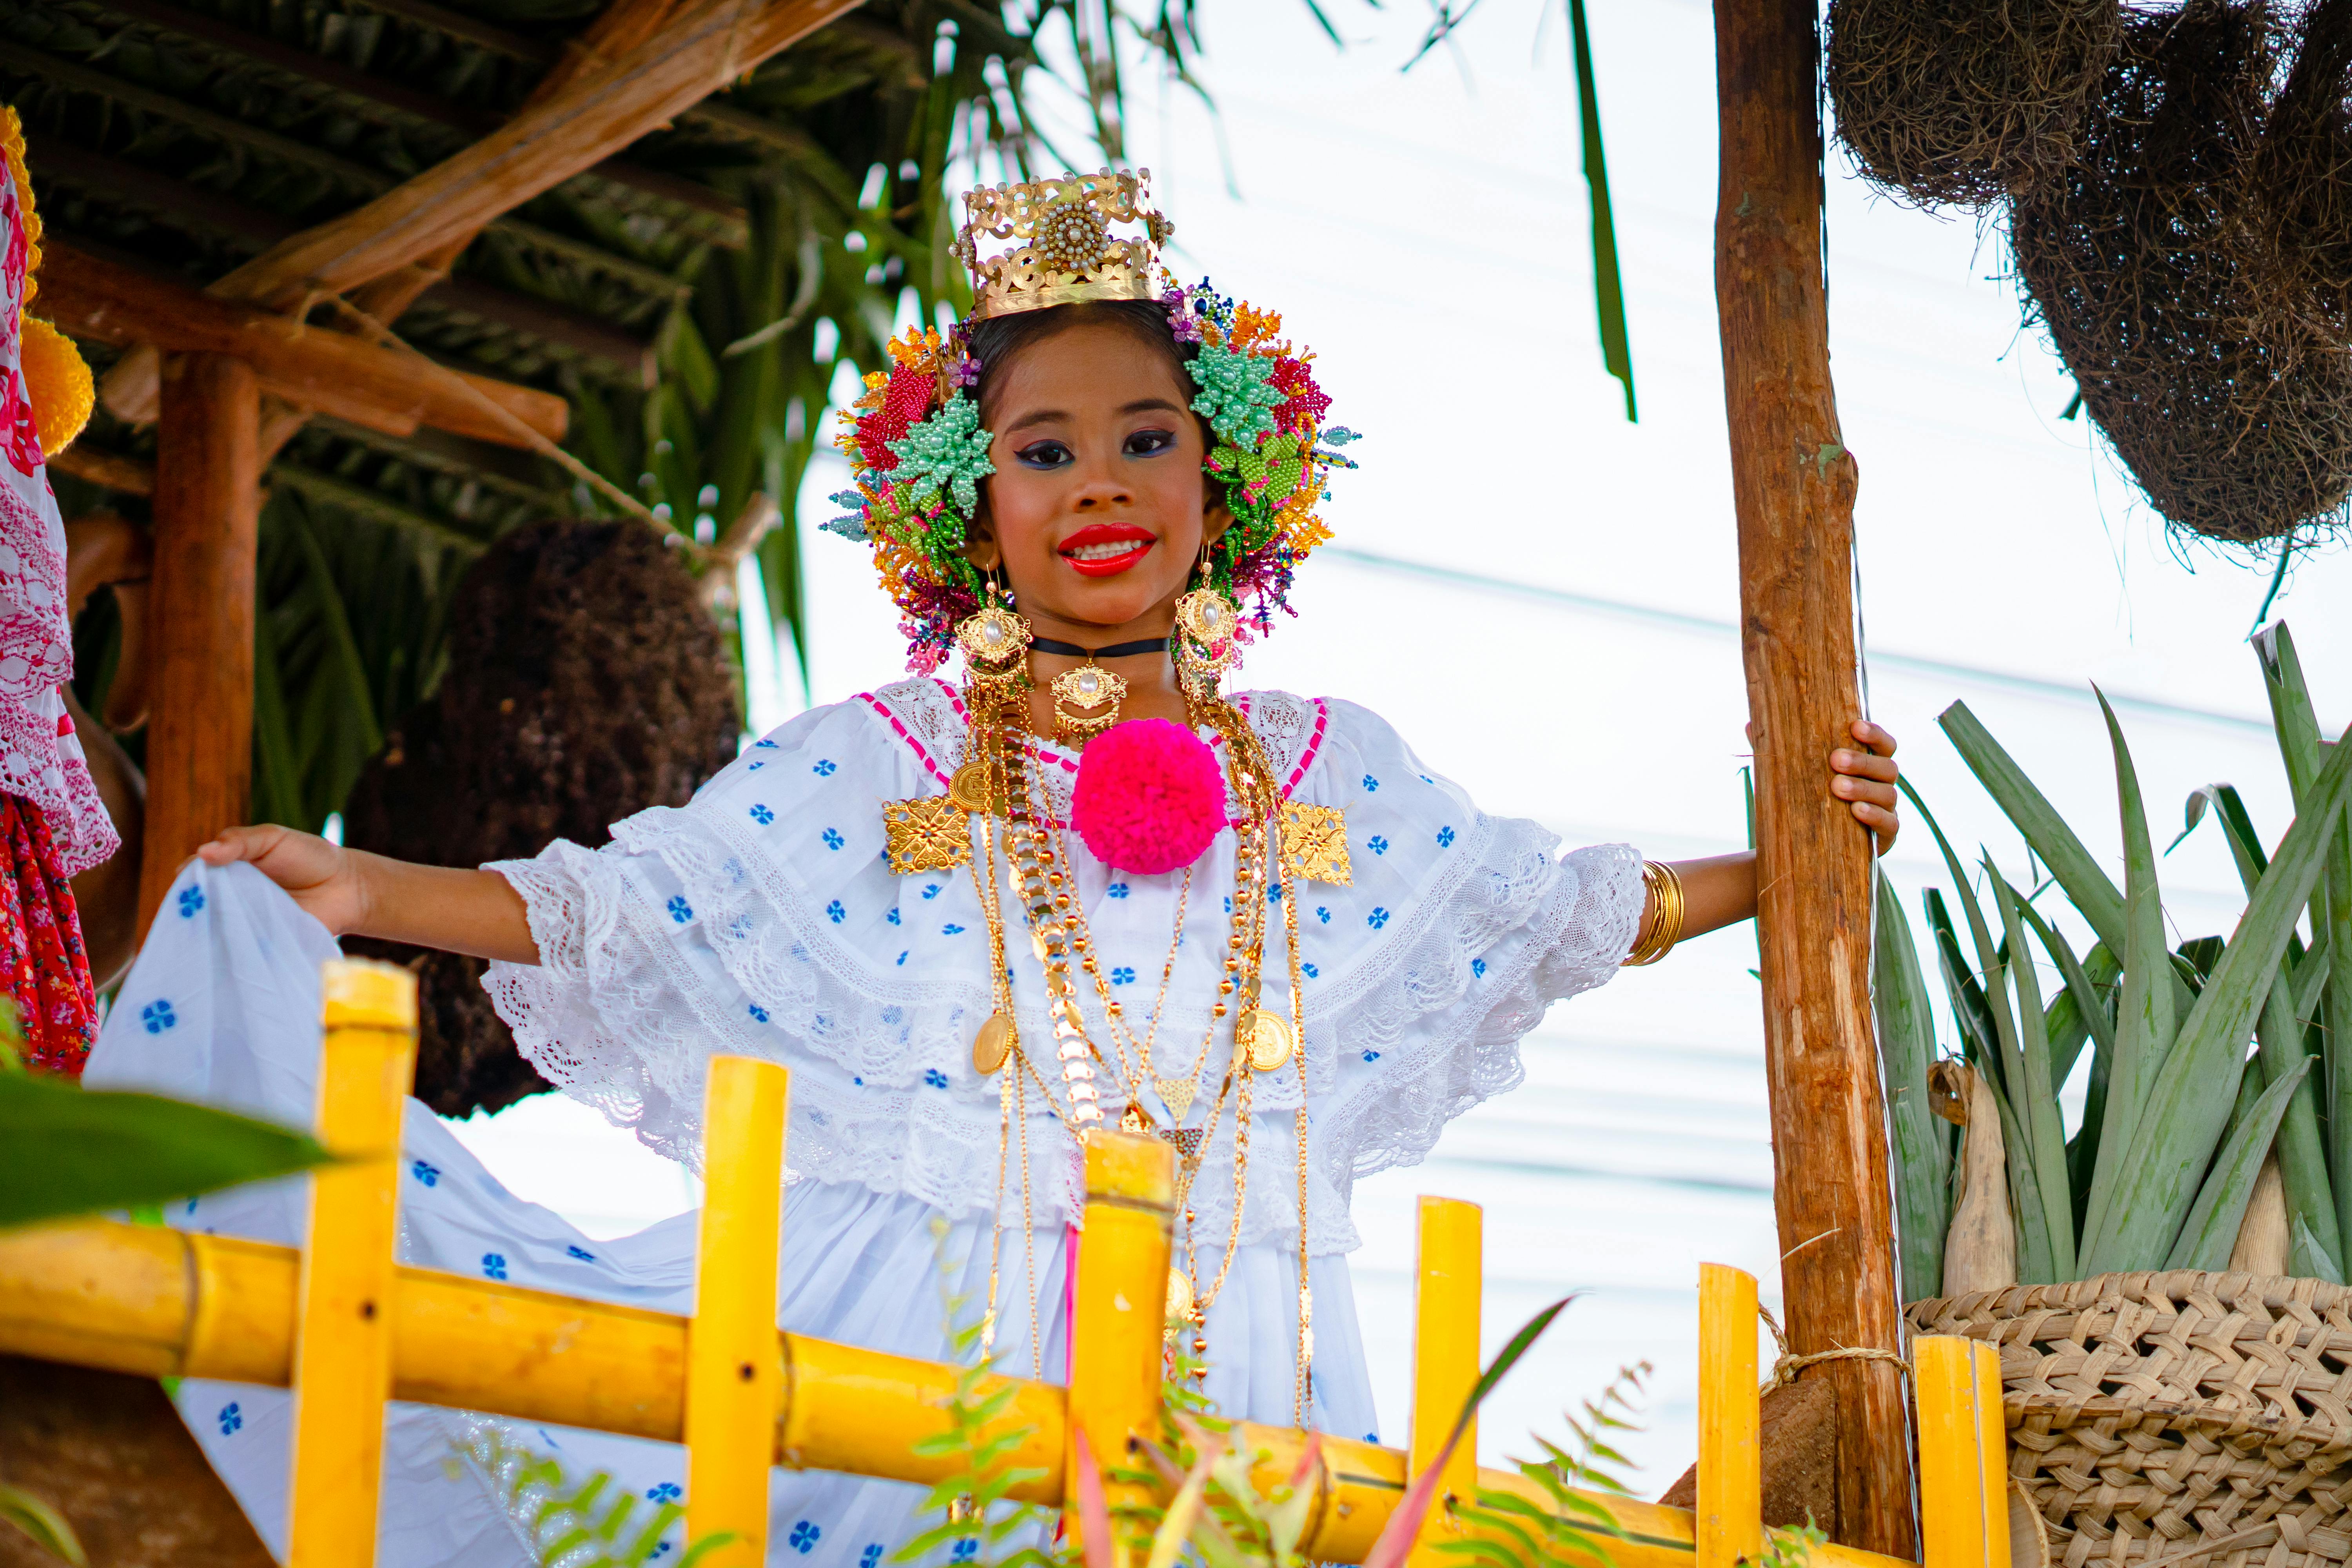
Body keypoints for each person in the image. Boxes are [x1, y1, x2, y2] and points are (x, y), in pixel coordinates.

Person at [93, 170, 1900, 1566]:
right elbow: (641, 905)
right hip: (893, 1371)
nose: (1099, 483)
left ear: (1225, 478)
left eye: (1146, 438)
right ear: (975, 502)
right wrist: (373, 891)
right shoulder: (877, 765)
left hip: (1242, 1373)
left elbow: (1562, 911)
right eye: (1046, 448)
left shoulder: (1331, 770)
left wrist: (1804, 857)